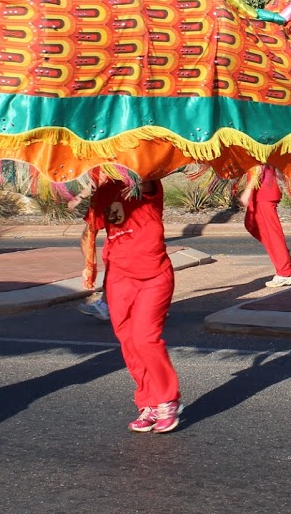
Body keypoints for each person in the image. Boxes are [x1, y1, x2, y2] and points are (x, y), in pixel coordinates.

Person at [81, 175, 183, 433]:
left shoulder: (141, 180)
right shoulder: (102, 192)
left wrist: (128, 166)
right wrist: (88, 265)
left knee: (145, 338)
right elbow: (89, 231)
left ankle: (167, 399)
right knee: (128, 341)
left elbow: (145, 179)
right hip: (118, 277)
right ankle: (148, 402)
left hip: (154, 275)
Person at [241, 164, 291, 287]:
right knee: (251, 224)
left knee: (272, 234)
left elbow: (258, 166)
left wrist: (247, 191)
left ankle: (285, 273)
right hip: (260, 192)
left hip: (263, 193)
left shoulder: (256, 145)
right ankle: (284, 254)